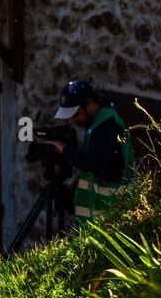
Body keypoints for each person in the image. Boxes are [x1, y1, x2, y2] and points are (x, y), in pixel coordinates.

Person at [48, 80, 134, 219]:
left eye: (76, 115)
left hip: (108, 213)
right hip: (99, 211)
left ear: (89, 103)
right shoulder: (98, 122)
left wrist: (64, 150)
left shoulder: (107, 126)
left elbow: (94, 163)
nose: (74, 121)